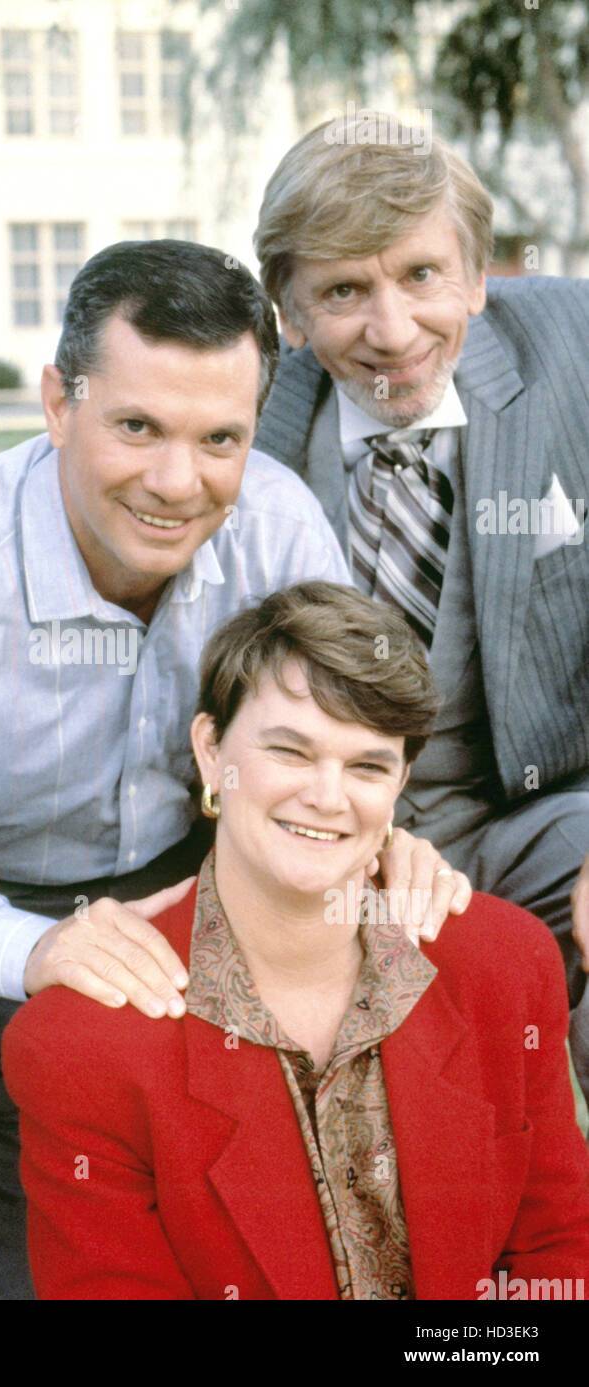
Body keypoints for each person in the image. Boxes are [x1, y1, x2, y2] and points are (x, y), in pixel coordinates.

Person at [0, 239, 470, 1300]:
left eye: (218, 438)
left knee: (281, 1249)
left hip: (208, 887)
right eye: (136, 427)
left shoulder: (276, 522)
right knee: (58, 1281)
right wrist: (35, 948)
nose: (174, 481)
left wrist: (382, 841)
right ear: (59, 402)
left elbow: (348, 730)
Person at [4, 581, 589, 1300]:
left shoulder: (507, 964)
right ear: (212, 751)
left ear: (401, 781)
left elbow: (557, 1249)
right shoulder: (80, 1045)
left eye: (368, 766)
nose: (328, 795)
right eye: (290, 751)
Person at [251, 115, 589, 1105]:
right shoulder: (240, 427)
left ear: (478, 276)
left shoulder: (576, 353)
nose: (392, 332)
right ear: (289, 310)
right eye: (344, 290)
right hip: (328, 846)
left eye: (421, 277)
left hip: (544, 814)